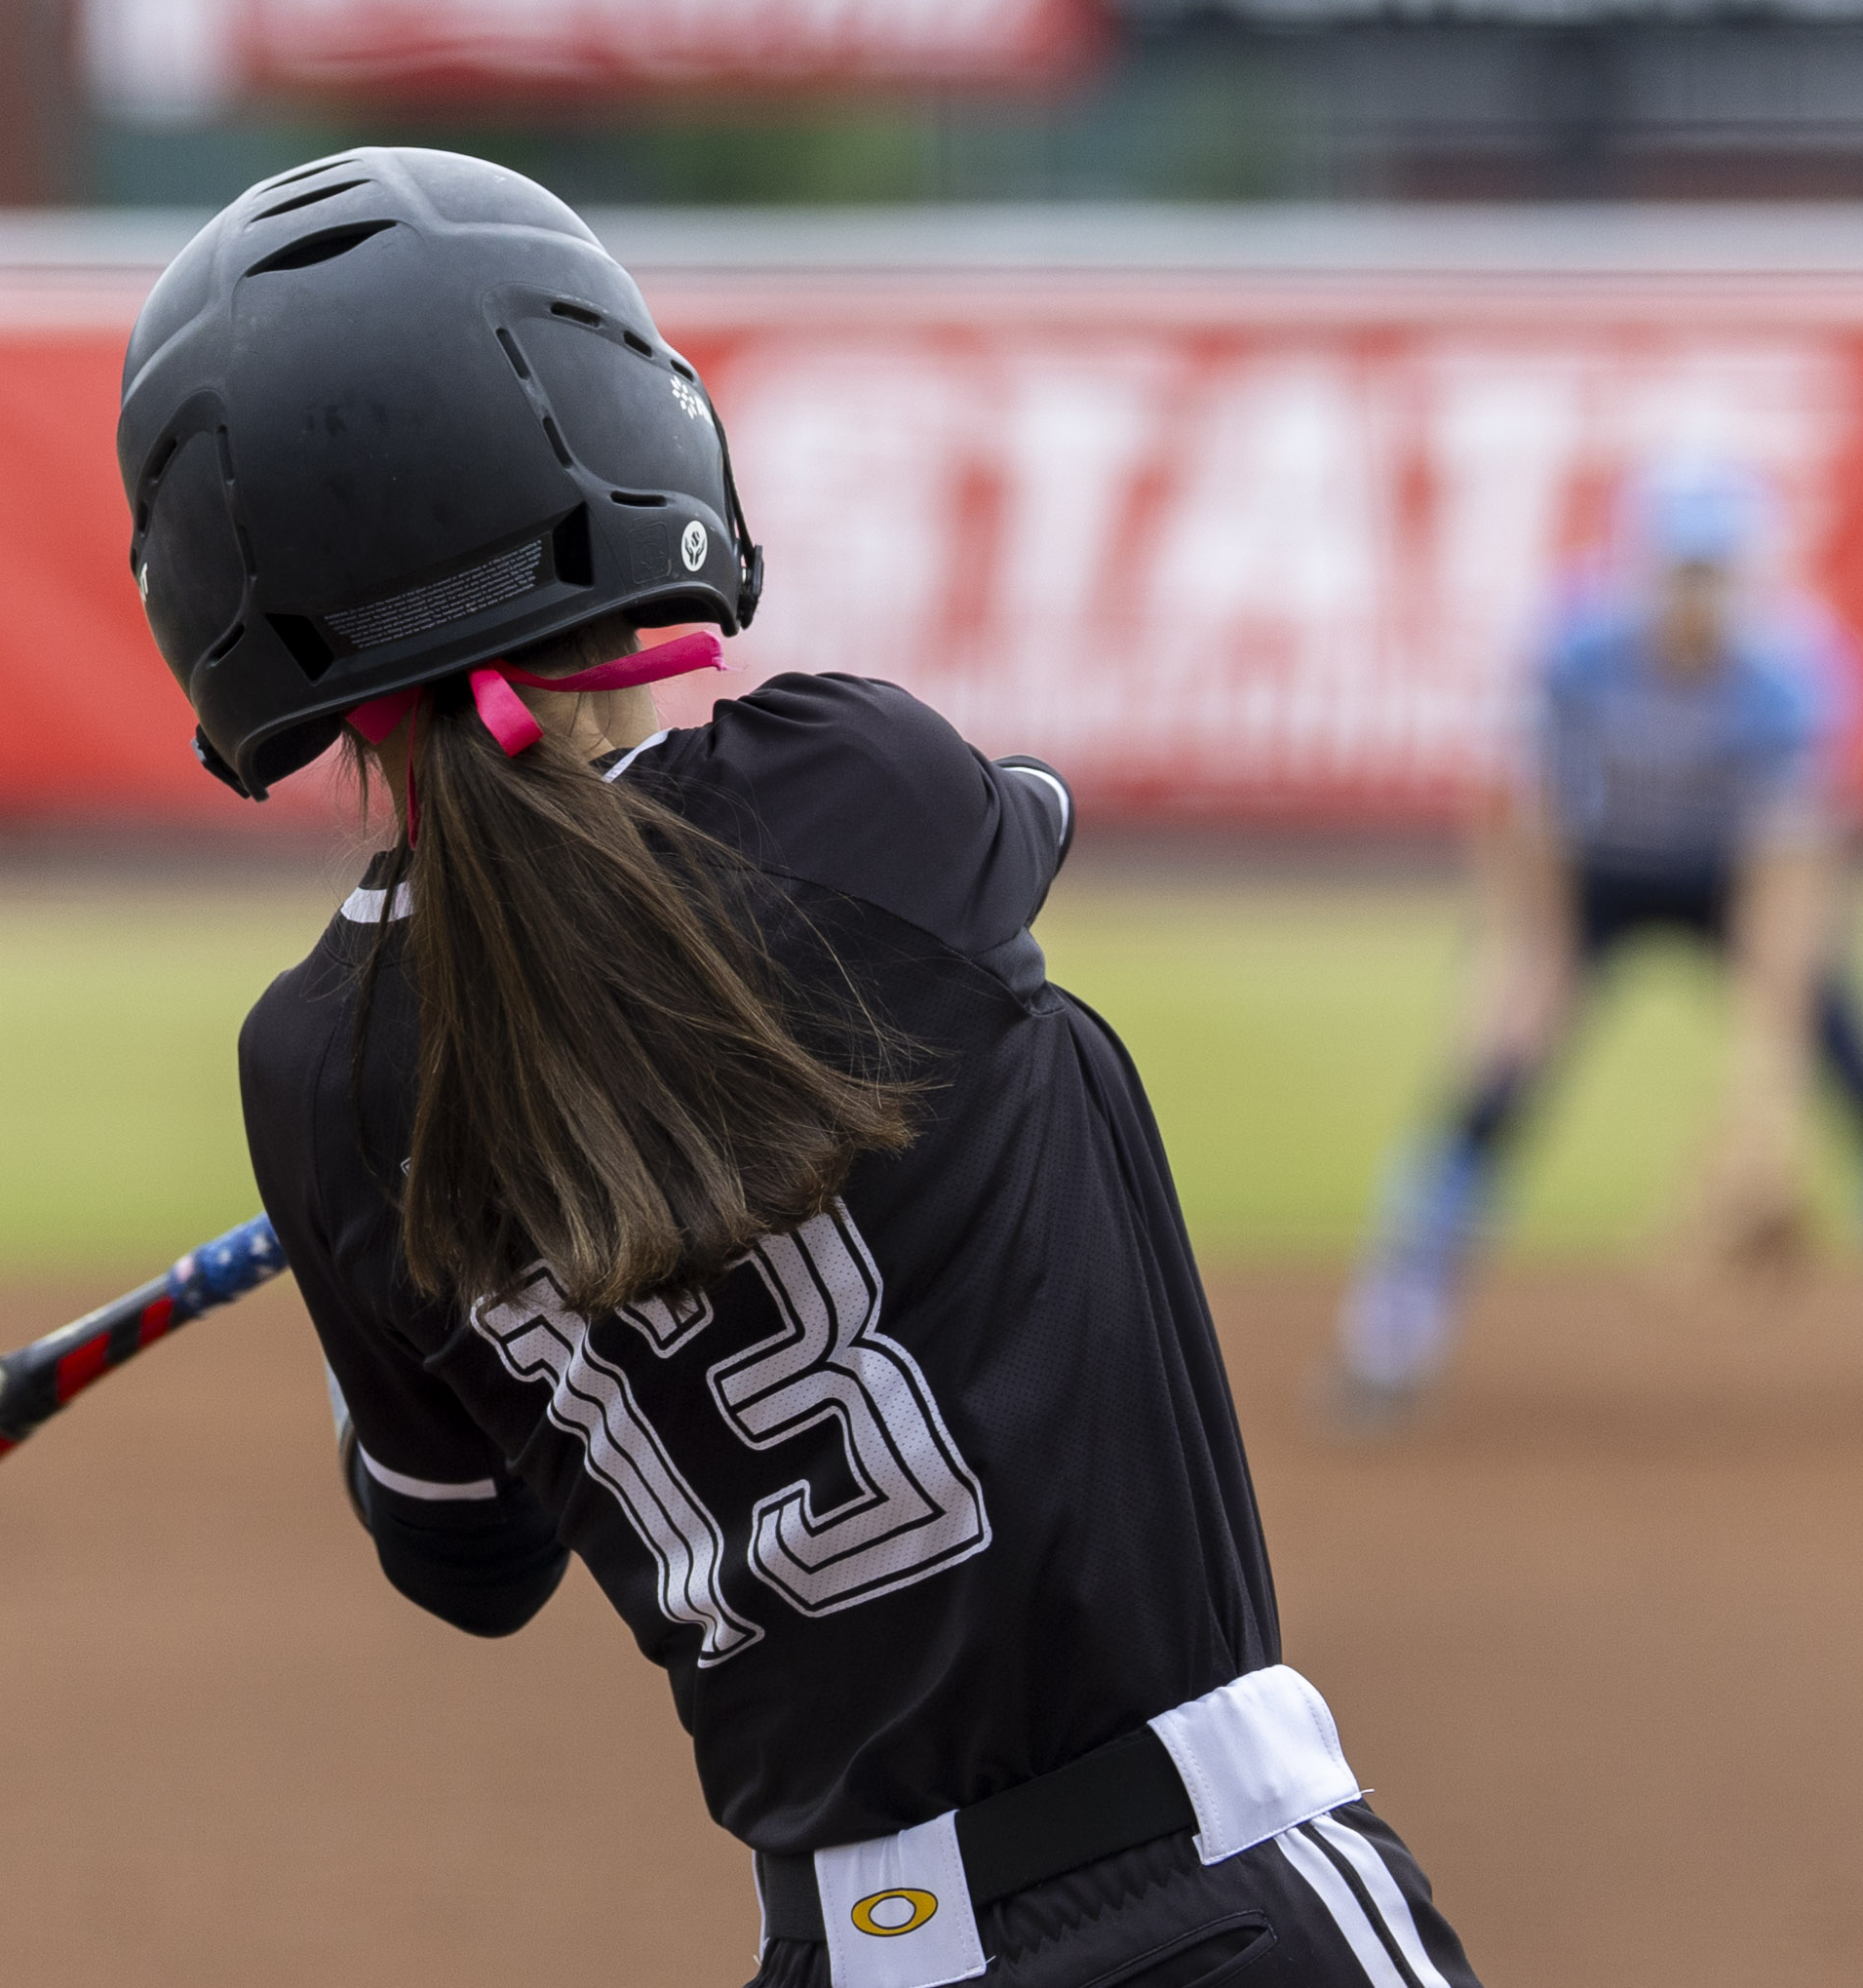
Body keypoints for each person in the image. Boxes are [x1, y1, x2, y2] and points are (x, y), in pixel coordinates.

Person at [123, 146, 1479, 1988]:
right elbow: (1021, 836)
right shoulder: (852, 795)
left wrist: (389, 1245)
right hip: (1220, 1907)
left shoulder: (316, 1070)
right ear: (609, 437)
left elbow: (465, 1562)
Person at [1329, 455, 1863, 1433]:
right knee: (1492, 1078)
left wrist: (1766, 1089)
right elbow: (1512, 809)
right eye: (1681, 570)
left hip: (1731, 879)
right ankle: (1389, 1338)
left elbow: (1787, 882)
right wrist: (1532, 952)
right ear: (1636, 567)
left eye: (1715, 571)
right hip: (1589, 873)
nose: (1698, 595)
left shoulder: (1795, 670)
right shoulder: (1568, 644)